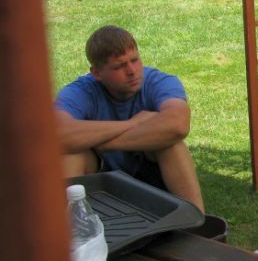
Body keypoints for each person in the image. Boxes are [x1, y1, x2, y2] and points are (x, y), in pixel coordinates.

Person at [55, 25, 204, 212]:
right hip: (101, 175)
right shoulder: (81, 91)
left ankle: (196, 219)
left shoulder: (159, 82)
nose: (132, 71)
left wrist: (103, 144)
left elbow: (178, 125)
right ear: (97, 73)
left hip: (151, 169)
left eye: (134, 60)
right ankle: (69, 223)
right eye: (119, 66)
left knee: (172, 145)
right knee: (71, 155)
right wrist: (133, 123)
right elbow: (56, 135)